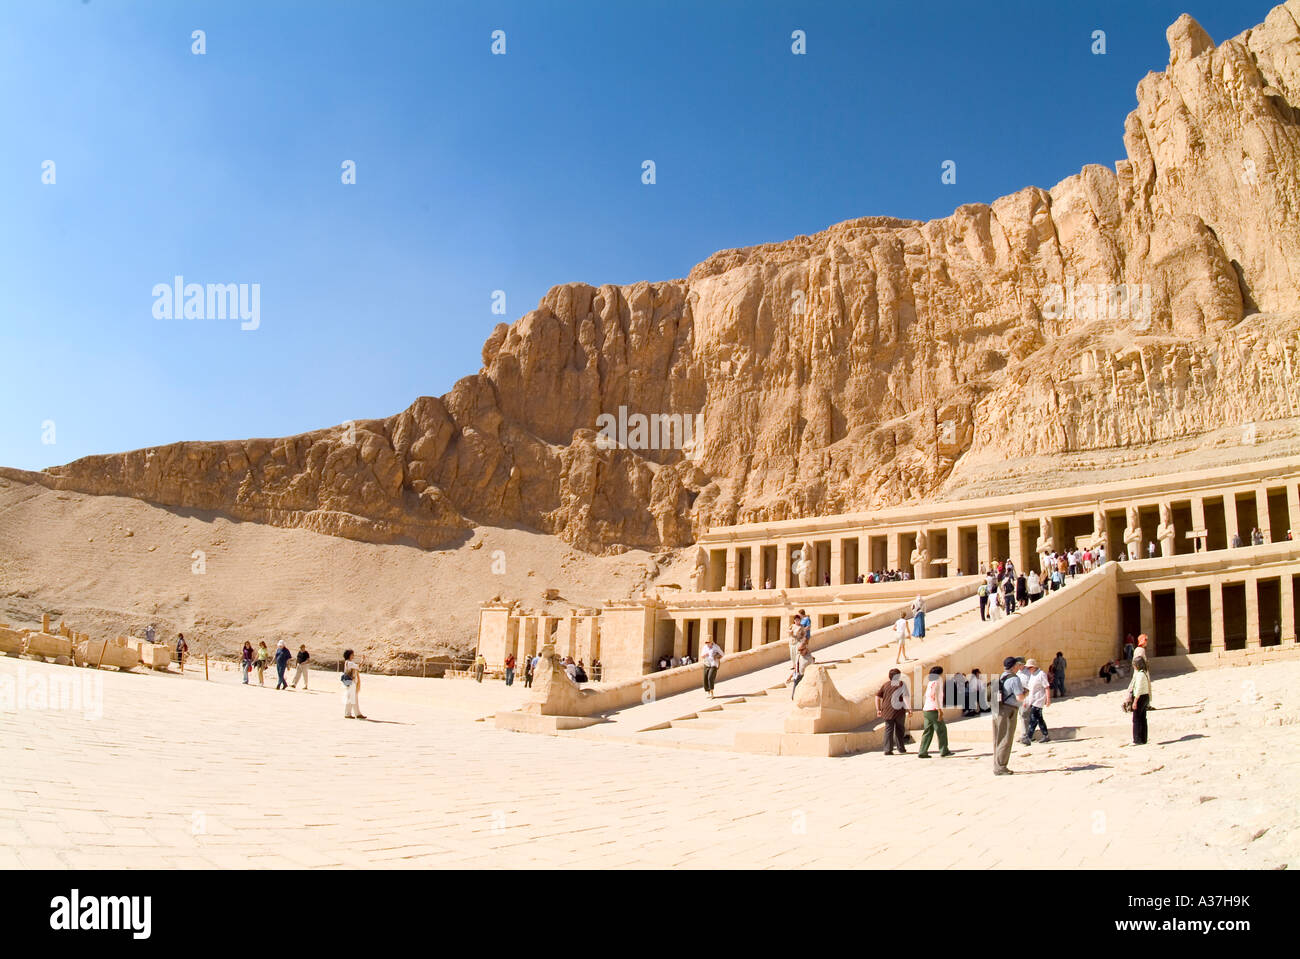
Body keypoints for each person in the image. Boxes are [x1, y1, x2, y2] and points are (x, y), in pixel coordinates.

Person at [993, 657, 1026, 775]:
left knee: (998, 738)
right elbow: (1019, 697)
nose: (1018, 667)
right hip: (1009, 710)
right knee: (1006, 739)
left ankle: (997, 765)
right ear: (1013, 666)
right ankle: (1001, 767)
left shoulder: (1002, 676)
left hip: (999, 709)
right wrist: (1025, 693)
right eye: (1017, 665)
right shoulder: (1014, 679)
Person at [917, 666, 952, 758]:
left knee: (928, 731)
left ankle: (922, 751)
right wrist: (939, 710)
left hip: (927, 709)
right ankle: (944, 750)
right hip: (934, 710)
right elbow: (935, 696)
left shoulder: (930, 683)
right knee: (941, 730)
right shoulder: (936, 683)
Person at [876, 668, 911, 755]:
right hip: (899, 711)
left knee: (888, 729)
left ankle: (887, 749)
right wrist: (910, 709)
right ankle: (901, 748)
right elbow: (906, 697)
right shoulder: (901, 684)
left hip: (887, 711)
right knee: (900, 729)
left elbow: (877, 697)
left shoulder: (885, 685)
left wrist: (878, 709)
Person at [1019, 659, 1051, 744]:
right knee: (1039, 718)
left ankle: (1028, 738)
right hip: (1032, 699)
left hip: (1039, 699)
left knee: (1033, 718)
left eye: (1029, 667)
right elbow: (1030, 689)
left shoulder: (1041, 674)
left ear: (1034, 667)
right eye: (1028, 668)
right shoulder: (1032, 675)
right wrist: (1026, 700)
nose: (1028, 669)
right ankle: (1046, 735)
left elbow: (1046, 687)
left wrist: (1048, 699)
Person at [1128, 657, 1151, 745]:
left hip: (1140, 697)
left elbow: (1139, 689)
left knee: (1136, 719)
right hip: (1145, 696)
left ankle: (1137, 739)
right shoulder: (1144, 673)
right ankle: (1143, 739)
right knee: (1142, 718)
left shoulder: (1140, 675)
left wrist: (1135, 701)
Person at [341, 648, 365, 719]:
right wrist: (362, 660)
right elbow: (358, 667)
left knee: (353, 698)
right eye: (352, 654)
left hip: (350, 682)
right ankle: (348, 714)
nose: (353, 656)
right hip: (352, 682)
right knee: (351, 699)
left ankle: (357, 713)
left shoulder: (348, 662)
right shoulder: (350, 663)